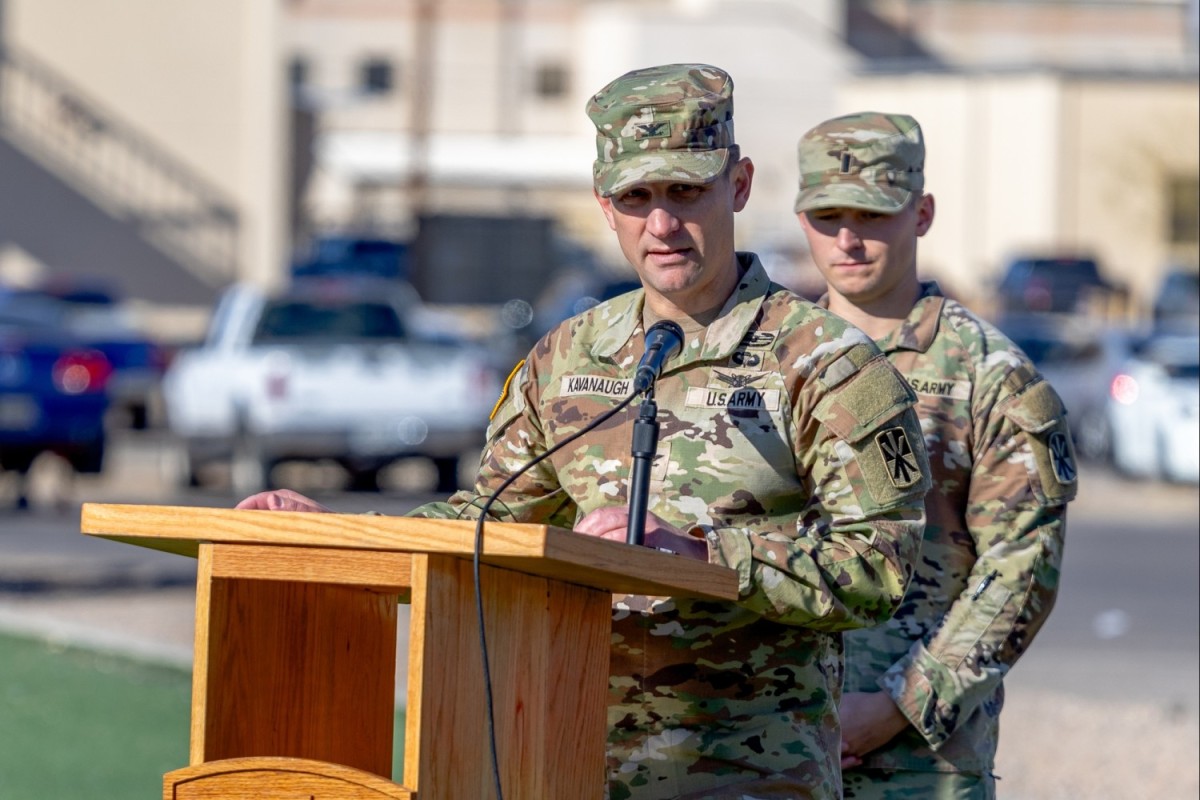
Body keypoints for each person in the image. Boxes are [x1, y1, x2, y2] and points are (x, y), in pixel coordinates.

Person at [240, 64, 932, 800]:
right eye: (636, 197)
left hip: (746, 776)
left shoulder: (829, 364)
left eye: (685, 192)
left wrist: (699, 555)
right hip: (562, 763)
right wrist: (344, 538)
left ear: (739, 186)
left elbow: (879, 568)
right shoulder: (567, 356)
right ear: (605, 206)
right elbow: (491, 528)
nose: (661, 224)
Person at [792, 111, 1077, 799]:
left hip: (917, 768)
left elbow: (1020, 573)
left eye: (873, 214)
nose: (848, 239)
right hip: (773, 746)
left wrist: (892, 709)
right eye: (827, 216)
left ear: (921, 214)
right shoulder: (769, 357)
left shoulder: (987, 374)